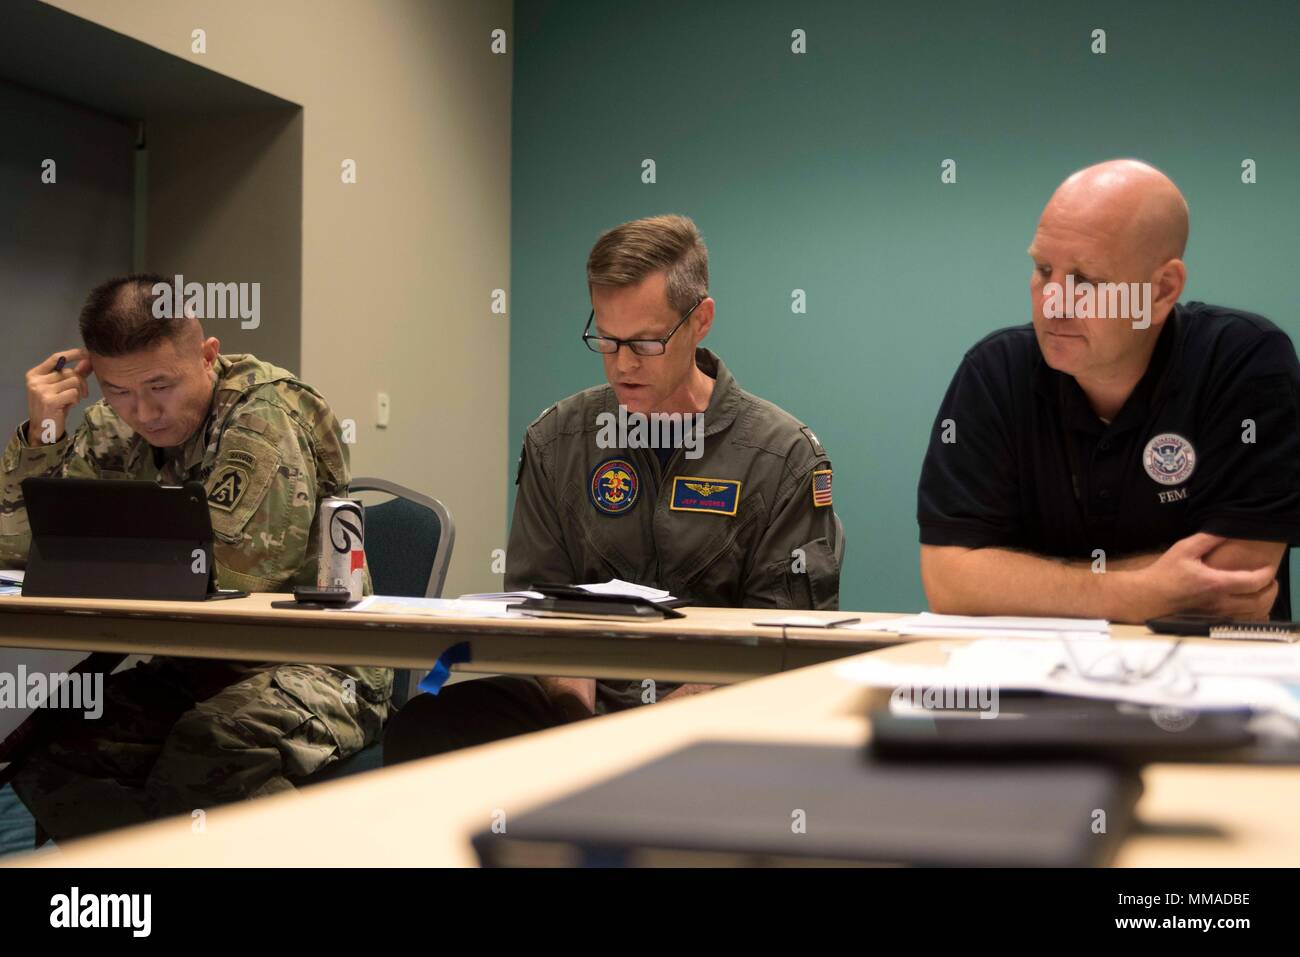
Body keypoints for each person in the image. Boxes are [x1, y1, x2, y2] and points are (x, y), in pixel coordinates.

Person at [384, 214, 840, 763]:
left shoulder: (781, 456)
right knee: (427, 724)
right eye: (606, 338)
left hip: (719, 719)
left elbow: (781, 643)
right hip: (581, 715)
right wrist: (581, 727)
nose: (622, 365)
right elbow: (542, 610)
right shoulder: (558, 440)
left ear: (700, 322)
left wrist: (647, 736)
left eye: (645, 343)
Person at [0, 274, 390, 841]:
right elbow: (17, 551)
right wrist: (43, 435)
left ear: (208, 357)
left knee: (209, 750)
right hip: (198, 667)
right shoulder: (110, 428)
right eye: (117, 391)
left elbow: (236, 574)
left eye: (160, 385)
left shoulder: (266, 411)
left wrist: (96, 554)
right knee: (54, 742)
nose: (143, 412)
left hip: (321, 666)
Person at [918, 160, 1300, 622]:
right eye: (1043, 269)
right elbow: (949, 580)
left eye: (1085, 281)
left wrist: (1022, 582)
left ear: (1161, 291)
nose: (1053, 302)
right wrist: (1139, 592)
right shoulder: (994, 371)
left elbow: (1235, 580)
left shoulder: (1244, 360)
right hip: (1039, 665)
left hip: (1210, 665)